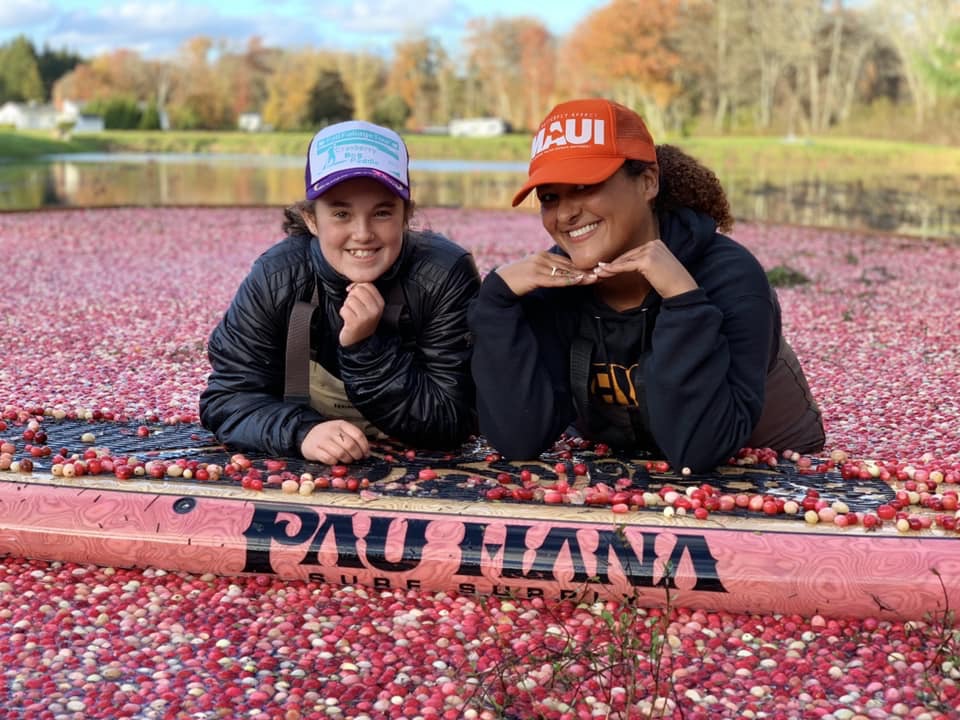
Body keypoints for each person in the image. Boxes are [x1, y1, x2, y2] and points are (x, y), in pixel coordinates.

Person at [468, 99, 824, 472]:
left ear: (647, 182)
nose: (566, 213)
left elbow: (699, 449)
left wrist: (683, 301)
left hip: (767, 460)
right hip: (631, 462)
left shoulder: (730, 277)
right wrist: (496, 304)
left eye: (585, 186)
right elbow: (518, 438)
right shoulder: (554, 285)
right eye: (549, 198)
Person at [201, 120, 481, 465]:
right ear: (311, 219)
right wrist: (301, 432)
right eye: (341, 213)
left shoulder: (444, 276)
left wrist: (366, 348)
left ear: (405, 215)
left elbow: (454, 419)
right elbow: (227, 399)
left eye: (382, 213)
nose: (362, 233)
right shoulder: (278, 277)